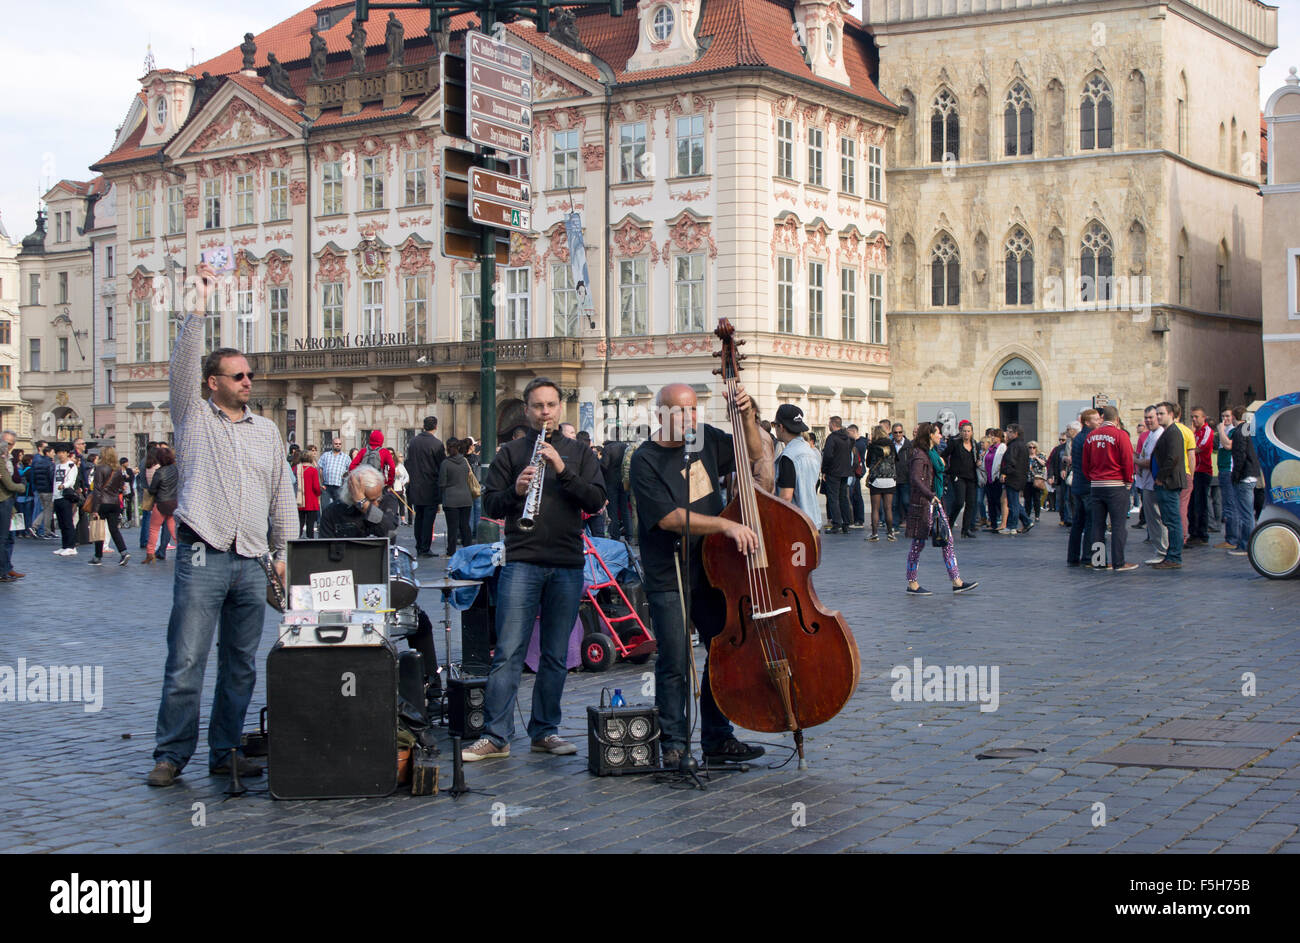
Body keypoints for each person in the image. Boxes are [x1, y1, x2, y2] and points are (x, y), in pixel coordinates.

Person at [147, 263, 297, 788]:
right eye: (239, 375)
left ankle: (226, 752)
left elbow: (283, 495)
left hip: (252, 560)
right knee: (187, 661)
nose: (248, 381)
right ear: (213, 383)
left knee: (240, 666)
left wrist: (284, 553)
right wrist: (197, 307)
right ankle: (170, 755)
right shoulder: (192, 417)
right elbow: (180, 368)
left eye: (250, 375)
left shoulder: (266, 431)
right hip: (202, 554)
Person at [462, 377, 606, 763]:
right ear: (526, 410)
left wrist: (562, 470)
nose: (545, 412)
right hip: (522, 560)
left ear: (561, 408)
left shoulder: (579, 452)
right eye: (538, 406)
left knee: (556, 654)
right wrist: (517, 492)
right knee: (508, 651)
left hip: (567, 562)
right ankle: (496, 735)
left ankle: (545, 730)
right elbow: (490, 504)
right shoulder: (511, 453)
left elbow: (596, 499)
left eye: (551, 405)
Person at [629, 381, 771, 767]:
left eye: (694, 410)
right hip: (668, 574)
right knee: (674, 659)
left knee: (724, 652)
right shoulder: (644, 459)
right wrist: (725, 526)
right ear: (660, 415)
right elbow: (669, 518)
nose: (689, 418)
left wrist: (746, 416)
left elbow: (754, 457)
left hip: (714, 570)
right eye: (680, 411)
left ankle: (717, 737)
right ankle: (674, 744)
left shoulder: (705, 439)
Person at [904, 422, 976, 596]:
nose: (940, 436)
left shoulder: (933, 454)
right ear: (929, 435)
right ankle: (912, 582)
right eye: (938, 433)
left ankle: (956, 581)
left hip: (936, 504)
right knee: (918, 544)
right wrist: (929, 495)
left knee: (947, 540)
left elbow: (940, 471)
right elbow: (915, 478)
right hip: (924, 504)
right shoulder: (920, 455)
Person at [1082, 406, 1137, 571]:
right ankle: (1119, 562)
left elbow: (1086, 464)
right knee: (1118, 524)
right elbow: (1127, 461)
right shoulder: (1121, 435)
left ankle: (1098, 561)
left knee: (1098, 525)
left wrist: (1092, 478)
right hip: (1116, 485)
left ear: (1102, 417)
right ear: (1117, 419)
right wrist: (1128, 481)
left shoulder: (1091, 436)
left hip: (1096, 486)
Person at [1149, 401, 1187, 569]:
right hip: (1164, 482)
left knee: (1172, 521)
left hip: (1168, 483)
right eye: (1157, 414)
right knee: (1169, 520)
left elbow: (1173, 458)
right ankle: (1172, 556)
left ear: (1171, 415)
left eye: (1161, 414)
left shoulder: (1173, 433)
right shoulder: (1168, 432)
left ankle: (1174, 557)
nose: (1158, 417)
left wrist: (1161, 477)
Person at [772, 404, 822, 528]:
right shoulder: (811, 451)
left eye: (775, 426)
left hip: (796, 524)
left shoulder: (789, 456)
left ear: (781, 427)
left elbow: (786, 496)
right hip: (813, 520)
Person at [318, 465, 400, 539]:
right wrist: (361, 503)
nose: (375, 504)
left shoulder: (388, 500)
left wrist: (365, 505)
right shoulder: (332, 512)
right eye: (370, 500)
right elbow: (325, 549)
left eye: (378, 498)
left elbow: (390, 534)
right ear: (352, 497)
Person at [405, 416, 445, 558]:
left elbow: (407, 462)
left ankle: (419, 545)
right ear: (435, 426)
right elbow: (442, 465)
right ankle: (425, 547)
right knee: (428, 519)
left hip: (416, 486)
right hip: (430, 486)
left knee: (419, 518)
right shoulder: (437, 444)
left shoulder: (413, 442)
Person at [1134, 406, 1168, 565]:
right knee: (1153, 518)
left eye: (1151, 417)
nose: (1148, 420)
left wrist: (1135, 460)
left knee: (1157, 518)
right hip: (1146, 482)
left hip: (1153, 482)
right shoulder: (1149, 435)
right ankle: (1160, 549)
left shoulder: (1159, 435)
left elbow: (1150, 461)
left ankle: (1162, 550)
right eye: (1146, 417)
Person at [1225, 404, 1260, 557]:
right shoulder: (1249, 430)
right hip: (1252, 474)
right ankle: (1246, 543)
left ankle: (1246, 545)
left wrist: (1236, 476)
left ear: (1234, 417)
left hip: (1244, 476)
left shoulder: (1240, 432)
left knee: (1245, 513)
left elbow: (1239, 456)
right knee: (1248, 513)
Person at [1067, 410, 1100, 566]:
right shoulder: (1089, 437)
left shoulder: (1079, 437)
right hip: (1087, 486)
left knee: (1078, 523)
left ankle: (1073, 556)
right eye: (1096, 419)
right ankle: (1088, 557)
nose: (1099, 421)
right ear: (1087, 422)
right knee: (1090, 523)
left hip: (1078, 485)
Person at [88, 447, 130, 566]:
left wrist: (95, 509)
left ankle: (97, 556)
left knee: (98, 529)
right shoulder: (118, 470)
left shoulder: (100, 468)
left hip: (102, 503)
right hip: (115, 502)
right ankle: (124, 552)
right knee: (114, 529)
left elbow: (97, 490)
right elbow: (121, 486)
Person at [943, 420, 980, 538]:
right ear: (960, 432)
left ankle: (966, 529)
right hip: (958, 477)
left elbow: (976, 458)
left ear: (972, 432)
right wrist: (947, 469)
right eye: (964, 431)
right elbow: (944, 454)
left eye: (968, 431)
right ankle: (949, 524)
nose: (966, 433)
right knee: (959, 502)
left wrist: (978, 462)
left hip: (971, 477)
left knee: (971, 503)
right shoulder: (955, 443)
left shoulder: (974, 444)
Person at [438, 437, 474, 556]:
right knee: (465, 525)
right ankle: (468, 549)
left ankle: (451, 551)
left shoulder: (445, 463)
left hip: (451, 499)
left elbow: (442, 483)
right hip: (466, 498)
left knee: (452, 527)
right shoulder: (464, 461)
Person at [144, 446, 179, 563]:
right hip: (173, 502)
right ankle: (183, 550)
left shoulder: (159, 472)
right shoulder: (176, 469)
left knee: (154, 529)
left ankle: (150, 553)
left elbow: (152, 490)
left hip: (160, 503)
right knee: (173, 529)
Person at [865, 421, 899, 540]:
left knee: (875, 508)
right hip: (890, 479)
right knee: (888, 507)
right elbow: (896, 460)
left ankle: (875, 534)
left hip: (876, 480)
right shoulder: (891, 445)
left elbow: (868, 463)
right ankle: (890, 533)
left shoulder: (873, 446)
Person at [1187, 406, 1214, 546]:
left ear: (1204, 418)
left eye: (1196, 417)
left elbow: (1197, 448)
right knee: (1191, 504)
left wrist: (1190, 437)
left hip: (1203, 471)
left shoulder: (1206, 431)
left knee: (1201, 504)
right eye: (1192, 417)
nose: (1194, 419)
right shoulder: (1195, 432)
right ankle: (1193, 532)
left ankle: (1202, 534)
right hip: (1193, 471)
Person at [820, 416, 852, 534]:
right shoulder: (847, 438)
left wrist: (824, 470)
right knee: (843, 497)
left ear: (833, 424)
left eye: (829, 423)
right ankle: (846, 523)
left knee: (833, 498)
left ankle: (837, 523)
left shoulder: (832, 438)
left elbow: (828, 455)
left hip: (833, 471)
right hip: (845, 471)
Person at [998, 424, 1032, 534]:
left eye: (1009, 431)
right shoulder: (1022, 445)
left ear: (1015, 433)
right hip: (1020, 476)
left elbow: (1010, 461)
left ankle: (1011, 526)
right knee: (1015, 502)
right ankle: (1027, 521)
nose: (1006, 433)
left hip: (1013, 477)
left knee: (1012, 503)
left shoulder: (1014, 446)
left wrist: (1004, 473)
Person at [0, 430, 23, 581]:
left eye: (10, 444)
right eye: (6, 443)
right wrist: (22, 487)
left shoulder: (10, 459)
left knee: (10, 536)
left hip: (9, 500)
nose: (7, 446)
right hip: (3, 500)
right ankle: (2, 571)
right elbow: (8, 484)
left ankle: (7, 567)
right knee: (2, 537)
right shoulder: (1, 460)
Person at [51, 446, 80, 557]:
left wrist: (64, 485)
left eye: (62, 452)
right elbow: (54, 482)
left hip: (66, 496)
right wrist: (53, 497)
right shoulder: (57, 465)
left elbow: (71, 480)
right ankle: (64, 545)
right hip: (57, 496)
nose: (60, 454)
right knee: (62, 523)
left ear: (67, 453)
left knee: (68, 522)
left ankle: (71, 546)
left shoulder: (71, 465)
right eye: (58, 452)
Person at [29, 441, 54, 539]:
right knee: (46, 510)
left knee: (46, 510)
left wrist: (35, 486)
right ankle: (36, 527)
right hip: (48, 489)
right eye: (52, 452)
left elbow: (33, 476)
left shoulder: (37, 462)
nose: (54, 454)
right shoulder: (49, 463)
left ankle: (46, 530)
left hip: (39, 489)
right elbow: (51, 477)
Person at [318, 435, 350, 512]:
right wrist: (321, 483)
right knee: (325, 507)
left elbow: (350, 471)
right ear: (332, 444)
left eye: (339, 444)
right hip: (326, 486)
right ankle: (325, 523)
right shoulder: (325, 455)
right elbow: (320, 469)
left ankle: (337, 523)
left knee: (339, 507)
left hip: (339, 486)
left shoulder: (346, 457)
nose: (338, 445)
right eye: (336, 444)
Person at [983, 429, 1006, 531]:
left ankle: (1002, 521)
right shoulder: (990, 448)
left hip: (996, 478)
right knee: (990, 501)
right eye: (992, 436)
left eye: (995, 436)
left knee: (998, 501)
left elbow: (1001, 462)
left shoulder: (1002, 447)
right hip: (988, 478)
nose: (992, 438)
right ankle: (993, 523)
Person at [296, 448, 322, 538]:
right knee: (310, 524)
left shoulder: (296, 469)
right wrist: (320, 492)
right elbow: (316, 487)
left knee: (300, 523)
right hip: (311, 501)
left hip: (299, 501)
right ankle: (310, 541)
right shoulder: (313, 470)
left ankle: (297, 539)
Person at [846, 424, 866, 529]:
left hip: (856, 473)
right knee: (854, 496)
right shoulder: (859, 443)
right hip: (855, 472)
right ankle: (856, 518)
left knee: (857, 496)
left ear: (854, 432)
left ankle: (859, 519)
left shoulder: (860, 444)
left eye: (848, 433)